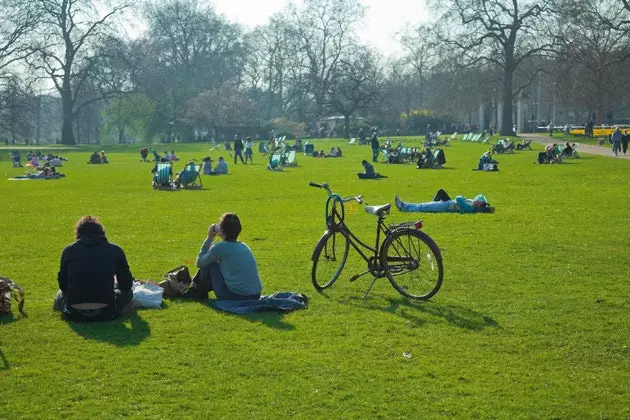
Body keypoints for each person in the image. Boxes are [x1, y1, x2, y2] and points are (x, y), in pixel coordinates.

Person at [53, 216, 134, 321]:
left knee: (59, 294)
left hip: (74, 312)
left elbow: (63, 285)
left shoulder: (69, 251)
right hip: (107, 311)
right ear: (102, 232)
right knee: (128, 293)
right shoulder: (115, 250)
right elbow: (126, 285)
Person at [183, 213, 262, 301]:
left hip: (235, 297)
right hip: (255, 295)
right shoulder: (244, 246)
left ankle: (194, 291)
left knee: (210, 264)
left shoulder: (220, 247)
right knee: (213, 262)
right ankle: (194, 289)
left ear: (222, 230)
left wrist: (209, 238)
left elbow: (200, 263)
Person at [395, 190, 495, 214]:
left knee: (423, 207)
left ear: (479, 206)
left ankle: (403, 208)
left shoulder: (470, 208)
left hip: (445, 206)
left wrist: (464, 198)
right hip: (446, 204)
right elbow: (481, 196)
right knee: (423, 205)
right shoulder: (472, 204)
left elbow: (459, 198)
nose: (476, 200)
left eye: (479, 201)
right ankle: (403, 205)